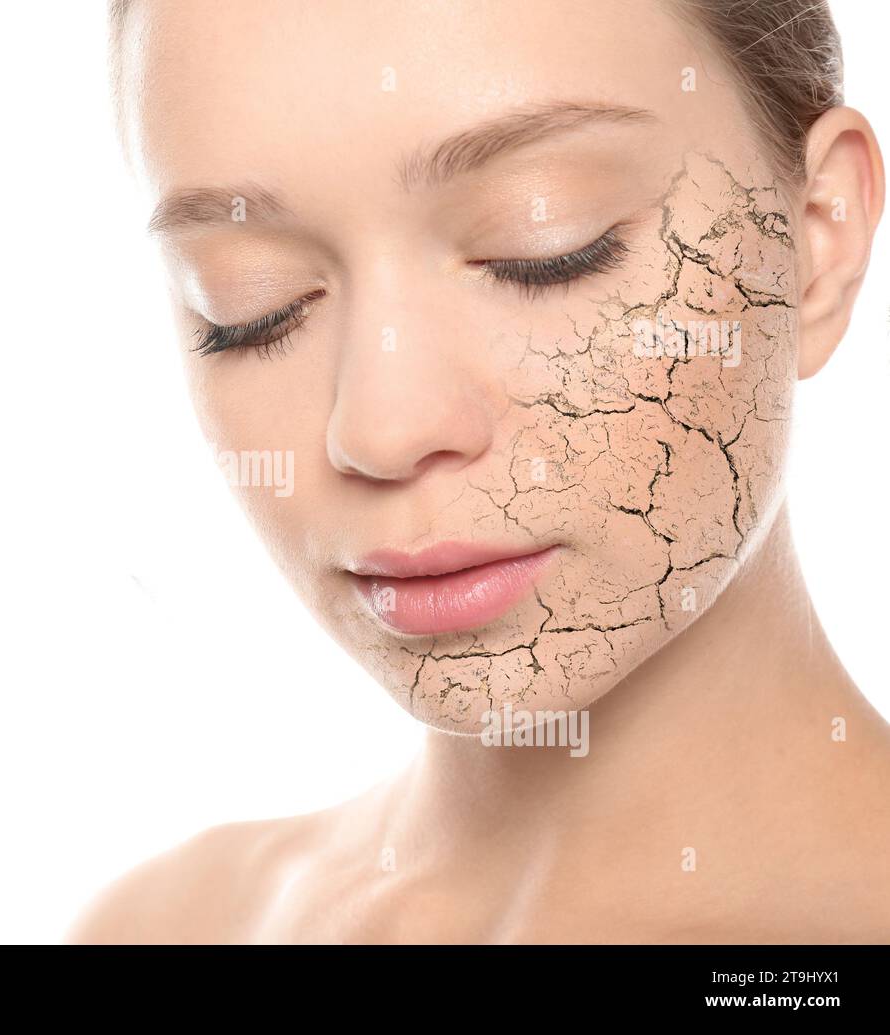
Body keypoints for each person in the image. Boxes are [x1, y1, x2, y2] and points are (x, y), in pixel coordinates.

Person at [71, 0, 890, 943]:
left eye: (543, 247)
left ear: (820, 236)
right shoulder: (168, 925)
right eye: (252, 304)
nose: (381, 431)